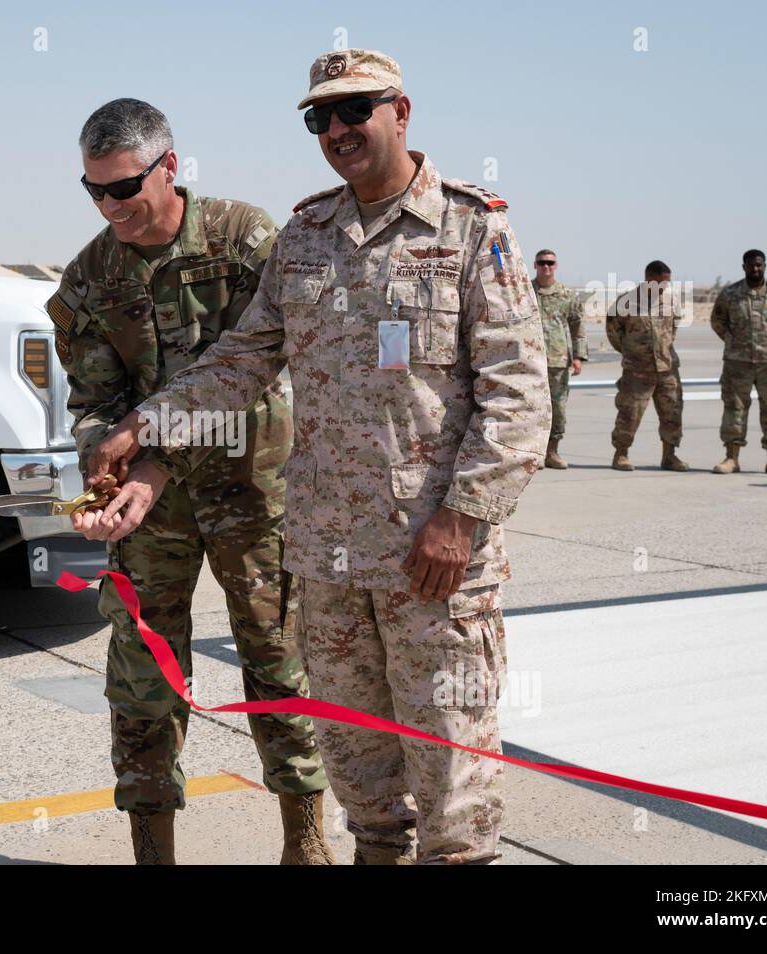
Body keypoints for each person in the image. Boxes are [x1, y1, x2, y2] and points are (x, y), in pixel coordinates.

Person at [80, 51, 551, 864]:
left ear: (400, 111)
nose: (337, 129)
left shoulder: (474, 228)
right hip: (329, 565)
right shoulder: (305, 235)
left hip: (431, 564)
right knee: (364, 790)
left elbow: (519, 397)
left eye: (355, 109)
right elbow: (242, 362)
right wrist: (140, 428)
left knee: (454, 798)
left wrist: (462, 518)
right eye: (319, 118)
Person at [49, 98, 334, 865]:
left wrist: (149, 459)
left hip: (255, 492)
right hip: (152, 517)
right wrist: (99, 476)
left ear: (170, 166)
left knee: (278, 662)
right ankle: (153, 848)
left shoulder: (246, 240)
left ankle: (305, 840)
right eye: (94, 191)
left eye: (124, 188)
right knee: (142, 672)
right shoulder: (90, 277)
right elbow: (93, 403)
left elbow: (252, 373)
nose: (111, 208)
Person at [711, 250, 767, 475]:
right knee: (734, 408)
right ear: (744, 267)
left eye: (759, 265)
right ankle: (731, 458)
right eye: (751, 265)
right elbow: (717, 320)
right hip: (737, 362)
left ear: (764, 266)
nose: (755, 269)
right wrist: (733, 341)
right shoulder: (730, 294)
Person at [605, 261, 688, 471]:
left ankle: (669, 455)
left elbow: (673, 328)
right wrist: (630, 352)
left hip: (667, 368)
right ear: (649, 278)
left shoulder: (672, 299)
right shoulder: (627, 301)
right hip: (637, 370)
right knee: (629, 414)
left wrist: (663, 349)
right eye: (661, 282)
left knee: (672, 412)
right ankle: (621, 454)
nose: (665, 286)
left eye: (667, 282)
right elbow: (613, 331)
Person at [532, 249, 585, 468]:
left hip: (557, 360)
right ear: (535, 265)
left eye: (550, 263)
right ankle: (534, 453)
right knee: (531, 408)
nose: (546, 267)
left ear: (556, 266)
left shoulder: (567, 294)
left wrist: (579, 356)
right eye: (542, 263)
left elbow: (577, 325)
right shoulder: (525, 291)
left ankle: (552, 451)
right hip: (529, 360)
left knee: (558, 409)